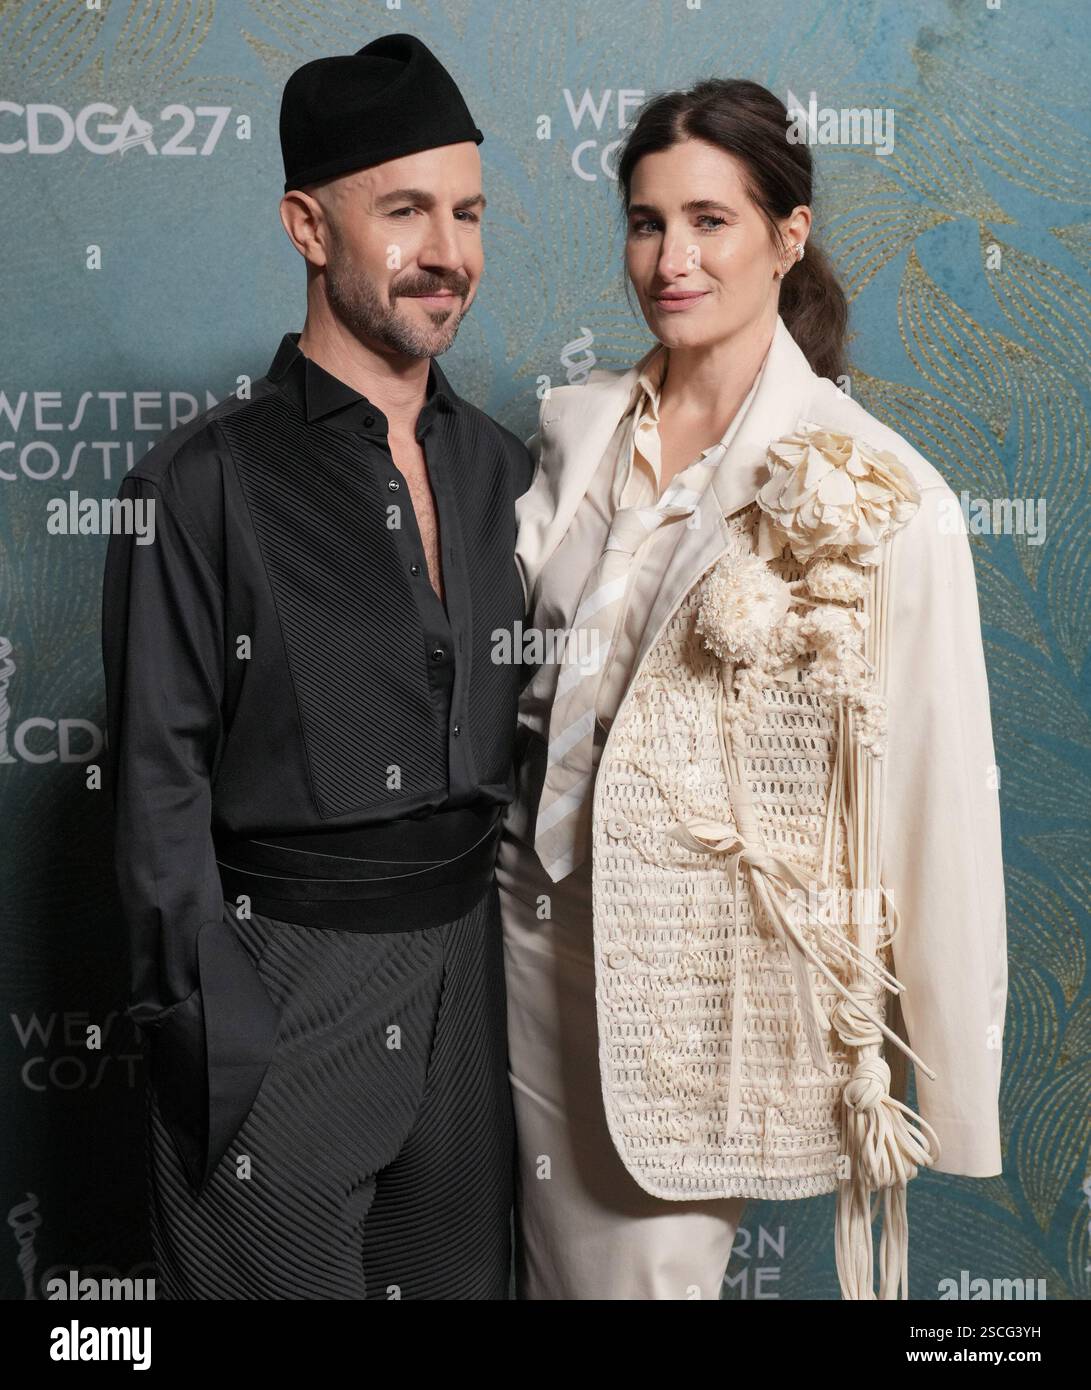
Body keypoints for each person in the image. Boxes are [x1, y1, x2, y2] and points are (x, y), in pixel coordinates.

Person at [498, 78, 1007, 1300]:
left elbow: (939, 789)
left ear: (786, 235)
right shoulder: (570, 434)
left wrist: (951, 1087)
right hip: (509, 935)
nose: (669, 259)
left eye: (708, 221)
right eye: (644, 221)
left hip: (694, 972)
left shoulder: (884, 496)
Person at [101, 33, 532, 1300]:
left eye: (466, 212)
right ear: (307, 224)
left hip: (469, 983)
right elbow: (153, 792)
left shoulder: (510, 470)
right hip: (280, 990)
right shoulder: (199, 482)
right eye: (403, 210)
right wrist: (214, 1044)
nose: (446, 249)